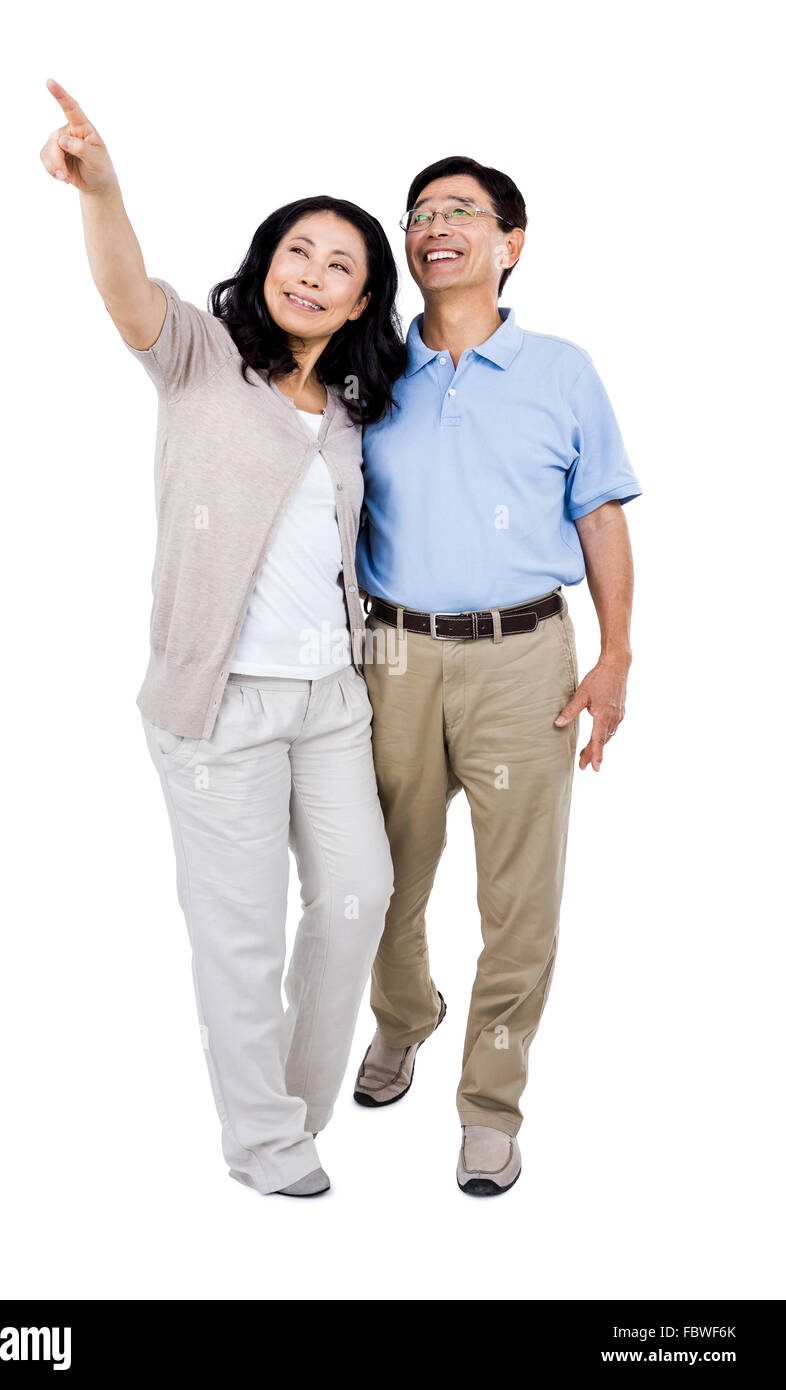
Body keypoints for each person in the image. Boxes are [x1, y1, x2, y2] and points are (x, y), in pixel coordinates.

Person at [40, 79, 405, 1198]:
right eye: (297, 250)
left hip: (331, 702)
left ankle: (282, 1112)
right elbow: (124, 290)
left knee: (355, 902)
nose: (312, 272)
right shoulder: (198, 355)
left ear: (355, 305)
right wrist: (102, 188)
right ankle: (263, 1145)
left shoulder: (348, 412)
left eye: (339, 266)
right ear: (263, 266)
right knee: (239, 935)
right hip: (218, 707)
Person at [354, 155, 642, 1196]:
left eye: (461, 211)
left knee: (518, 899)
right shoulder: (373, 368)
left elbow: (598, 513)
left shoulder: (560, 370)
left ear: (508, 244)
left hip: (524, 658)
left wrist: (611, 657)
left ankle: (488, 1102)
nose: (435, 226)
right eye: (420, 213)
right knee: (379, 876)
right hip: (389, 654)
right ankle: (401, 1019)